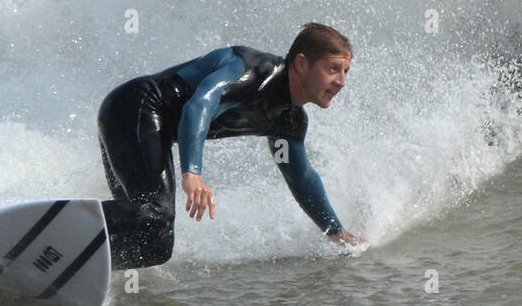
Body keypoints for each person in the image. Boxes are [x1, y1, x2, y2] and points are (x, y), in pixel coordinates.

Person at [96, 22, 365, 268]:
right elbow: (199, 104)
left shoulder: (288, 120)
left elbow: (300, 176)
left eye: (345, 72)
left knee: (155, 244)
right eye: (333, 69)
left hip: (151, 132)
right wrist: (193, 174)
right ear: (302, 64)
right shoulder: (252, 71)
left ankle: (79, 260)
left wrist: (336, 233)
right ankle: (61, 225)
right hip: (134, 107)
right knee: (153, 210)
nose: (341, 81)